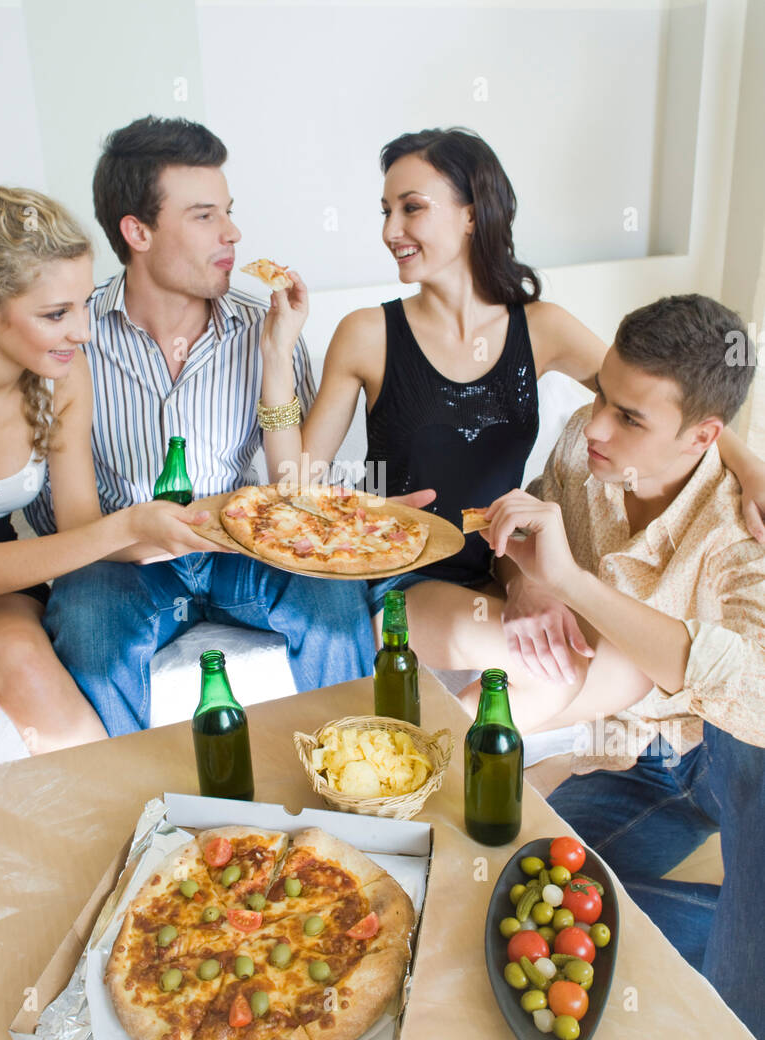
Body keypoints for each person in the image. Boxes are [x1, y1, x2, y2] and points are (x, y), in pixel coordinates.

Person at [260, 127, 765, 719]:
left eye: (412, 208)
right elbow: (292, 487)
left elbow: (658, 400)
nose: (390, 231)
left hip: (497, 564)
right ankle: (404, 779)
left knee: (608, 665)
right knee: (553, 669)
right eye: (386, 211)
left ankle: (424, 780)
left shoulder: (541, 327)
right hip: (401, 576)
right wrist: (277, 356)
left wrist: (749, 464)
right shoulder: (367, 334)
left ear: (472, 215)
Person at [27, 117, 401, 736]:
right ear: (137, 230)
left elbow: (295, 487)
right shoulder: (71, 335)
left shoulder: (263, 326)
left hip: (235, 549)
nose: (233, 233)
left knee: (334, 605)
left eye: (227, 212)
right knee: (92, 630)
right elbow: (72, 525)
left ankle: (353, 790)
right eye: (204, 216)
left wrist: (278, 353)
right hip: (118, 561)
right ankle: (139, 818)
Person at [0, 187, 217, 891]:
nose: (83, 330)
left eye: (82, 304)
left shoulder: (61, 379)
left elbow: (79, 534)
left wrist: (191, 529)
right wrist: (128, 524)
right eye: (55, 313)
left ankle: (141, 879)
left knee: (29, 669)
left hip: (0, 583)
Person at [478, 294, 764, 1040]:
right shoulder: (584, 444)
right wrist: (530, 580)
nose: (595, 423)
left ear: (705, 436)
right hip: (646, 754)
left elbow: (756, 694)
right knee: (522, 897)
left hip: (737, 753)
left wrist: (573, 582)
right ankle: (718, 943)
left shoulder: (744, 535)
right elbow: (532, 524)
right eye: (601, 392)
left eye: (630, 417)